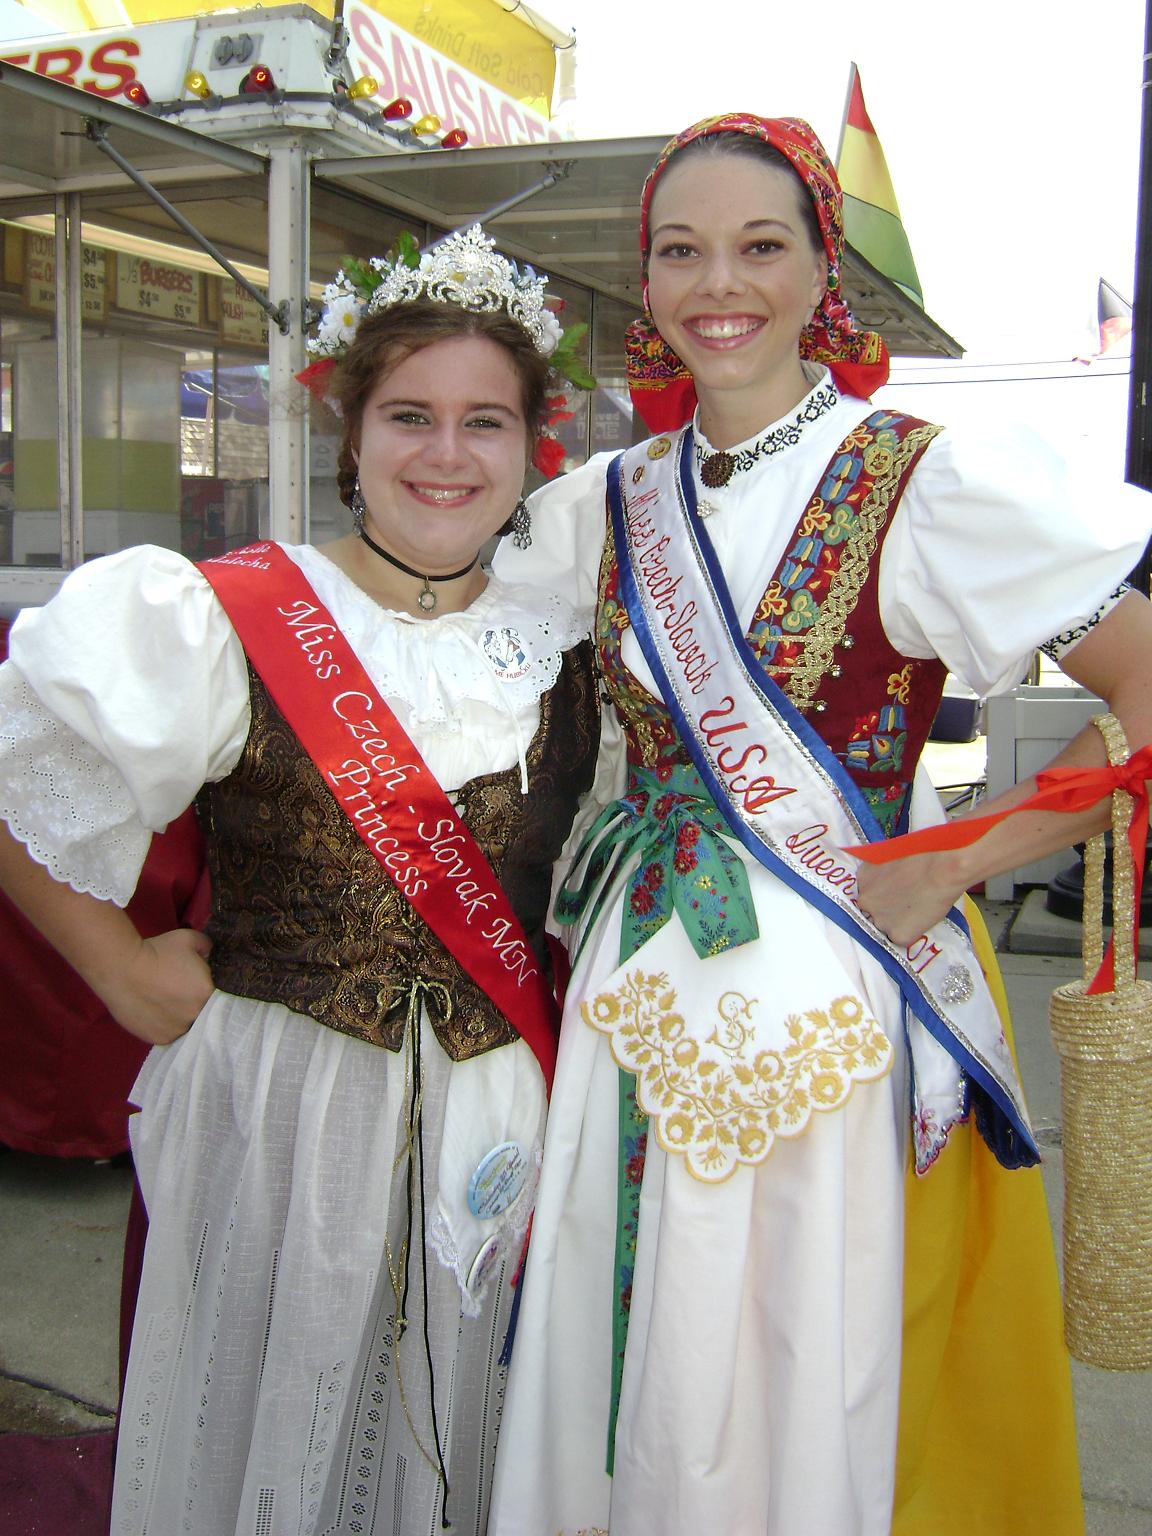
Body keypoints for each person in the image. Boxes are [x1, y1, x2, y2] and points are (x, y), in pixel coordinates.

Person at [486, 115, 1152, 1536]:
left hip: (830, 1001)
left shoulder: (919, 479)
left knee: (790, 1349)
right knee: (629, 1338)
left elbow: (1149, 688)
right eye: (681, 250)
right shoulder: (601, 506)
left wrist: (964, 862)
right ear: (647, 282)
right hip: (634, 988)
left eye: (760, 246)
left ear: (820, 270)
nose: (718, 282)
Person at [0, 224, 600, 1536]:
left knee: (466, 1417)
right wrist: (114, 963)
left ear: (530, 446)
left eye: (485, 421)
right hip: (280, 1096)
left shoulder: (568, 636)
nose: (447, 454)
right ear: (351, 431)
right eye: (411, 416)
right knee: (266, 1412)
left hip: (498, 1094)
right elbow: (18, 780)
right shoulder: (219, 616)